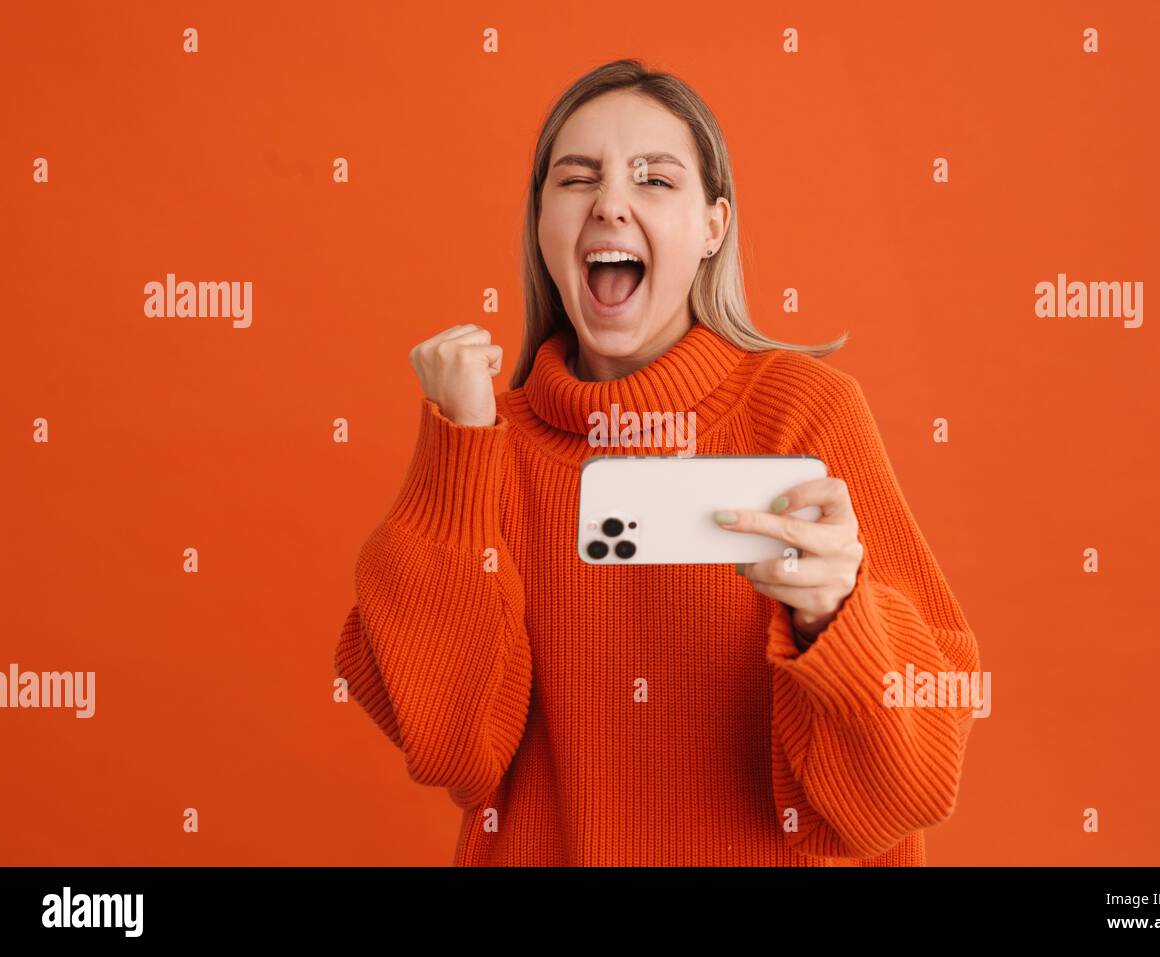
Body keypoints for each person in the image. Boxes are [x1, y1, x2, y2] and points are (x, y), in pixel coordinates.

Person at [334, 58, 981, 866]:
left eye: (655, 180)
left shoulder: (804, 414)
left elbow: (906, 789)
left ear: (713, 228)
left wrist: (837, 622)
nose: (610, 202)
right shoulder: (484, 444)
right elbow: (452, 746)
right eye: (577, 179)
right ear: (541, 222)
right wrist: (458, 450)